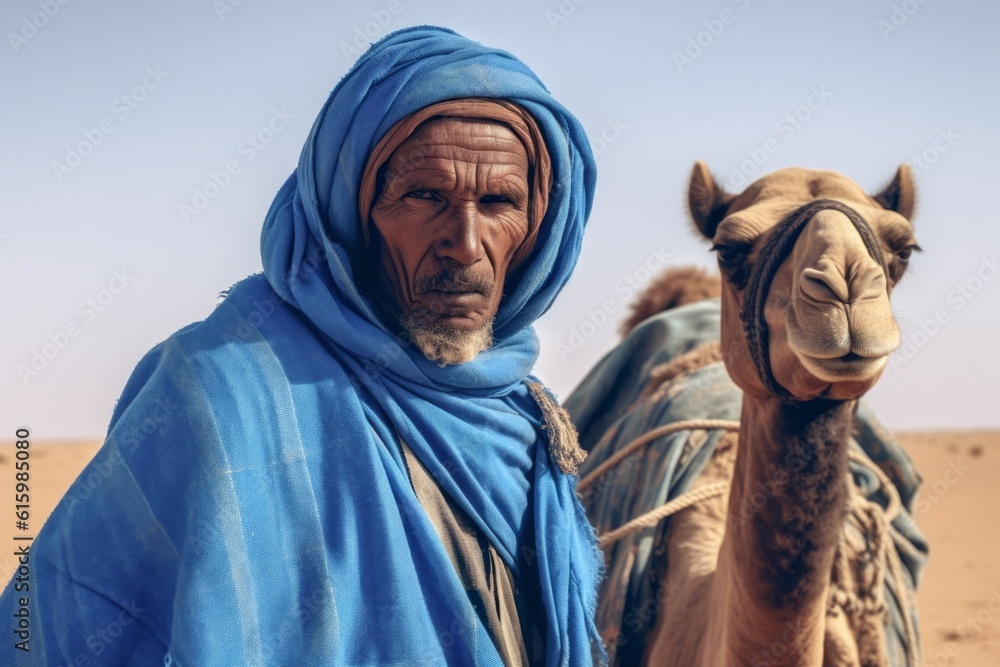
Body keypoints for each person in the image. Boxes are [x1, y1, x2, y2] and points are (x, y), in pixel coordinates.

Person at [0, 26, 605, 665]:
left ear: (540, 229)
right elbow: (49, 629)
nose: (466, 241)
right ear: (348, 211)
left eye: (500, 201)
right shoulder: (220, 393)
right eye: (425, 195)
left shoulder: (524, 417)